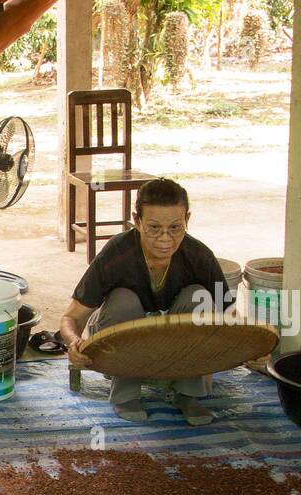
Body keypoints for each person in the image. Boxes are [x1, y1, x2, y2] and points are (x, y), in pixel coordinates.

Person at [59, 177, 235, 426]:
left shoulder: (199, 255)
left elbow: (231, 315)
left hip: (174, 340)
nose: (165, 239)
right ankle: (125, 395)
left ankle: (188, 394)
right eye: (154, 228)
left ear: (187, 220)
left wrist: (250, 350)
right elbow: (71, 317)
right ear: (137, 220)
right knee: (123, 299)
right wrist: (73, 343)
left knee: (201, 298)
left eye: (175, 228)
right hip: (120, 338)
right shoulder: (116, 253)